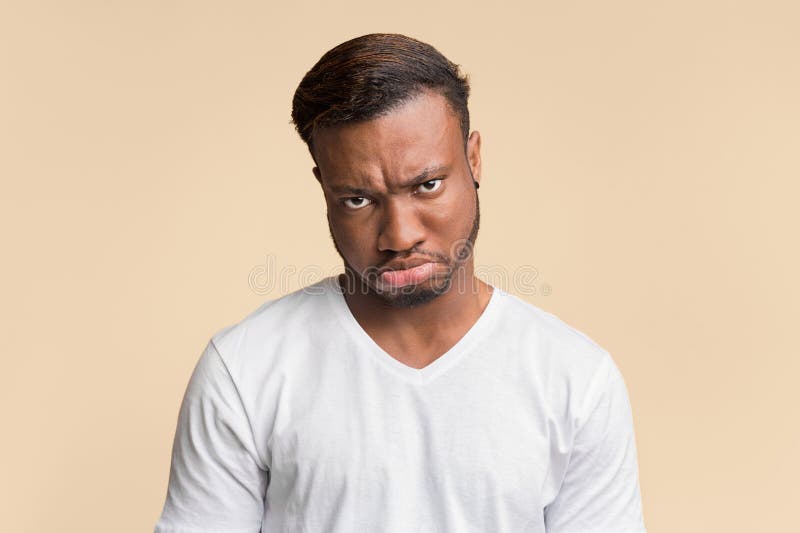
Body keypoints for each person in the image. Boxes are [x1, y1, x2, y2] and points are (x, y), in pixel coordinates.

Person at [155, 33, 647, 533]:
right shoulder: (245, 369)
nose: (400, 235)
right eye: (358, 199)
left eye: (427, 185)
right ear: (323, 186)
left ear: (474, 160)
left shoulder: (575, 380)